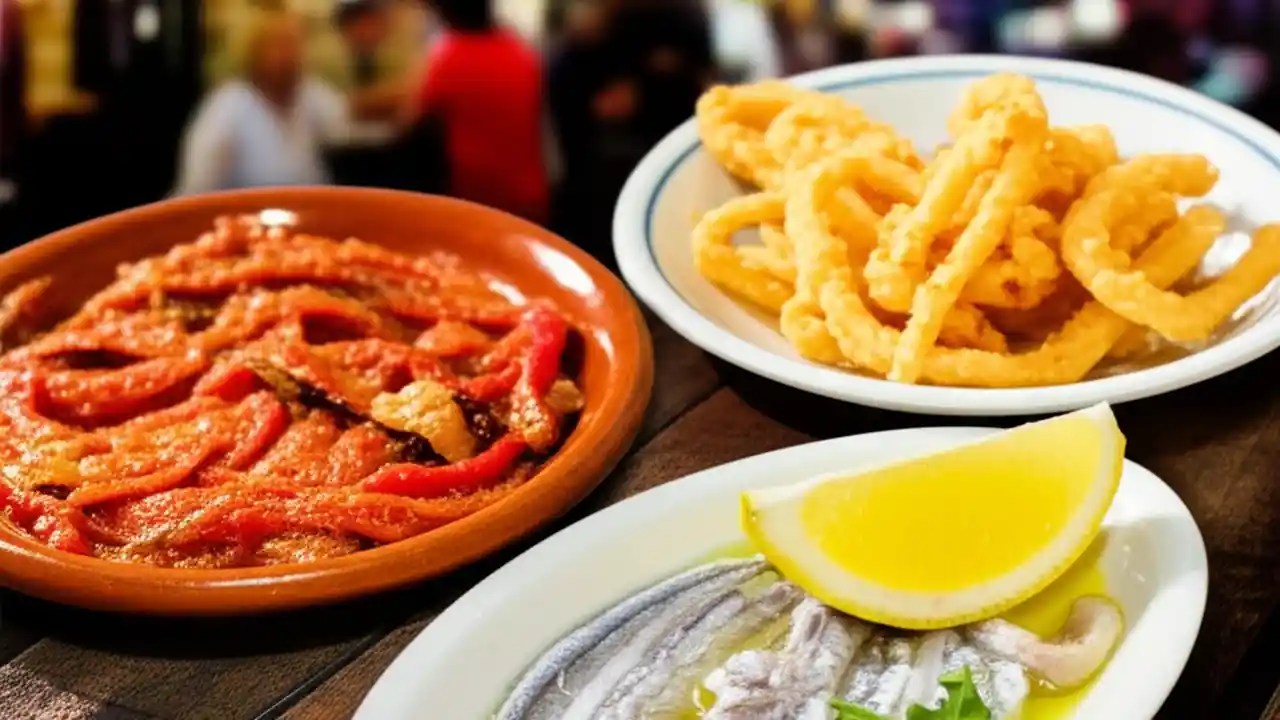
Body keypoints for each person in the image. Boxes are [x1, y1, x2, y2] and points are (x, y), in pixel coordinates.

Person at [174, 11, 349, 194]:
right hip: (246, 217)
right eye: (278, 46)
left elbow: (347, 122)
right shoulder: (228, 108)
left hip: (314, 211)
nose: (289, 57)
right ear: (252, 54)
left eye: (294, 45)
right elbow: (195, 187)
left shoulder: (310, 94)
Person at [404, 0, 548, 223]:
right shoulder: (518, 49)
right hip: (530, 196)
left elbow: (411, 117)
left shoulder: (449, 57)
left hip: (476, 200)